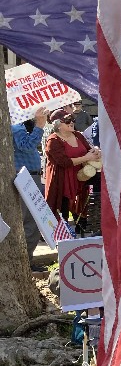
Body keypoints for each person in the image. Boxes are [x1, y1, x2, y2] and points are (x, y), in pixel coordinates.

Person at [44, 109, 99, 228]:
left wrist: (95, 151)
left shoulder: (78, 135)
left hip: (81, 175)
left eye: (72, 119)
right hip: (62, 180)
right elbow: (64, 162)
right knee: (61, 211)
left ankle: (88, 225)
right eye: (67, 120)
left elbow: (88, 149)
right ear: (58, 125)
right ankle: (62, 234)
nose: (72, 122)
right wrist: (86, 157)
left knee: (98, 184)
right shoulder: (53, 141)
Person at [12, 107, 49, 268]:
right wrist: (39, 125)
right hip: (24, 177)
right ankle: (23, 264)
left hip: (31, 177)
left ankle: (26, 262)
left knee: (32, 221)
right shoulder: (15, 125)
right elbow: (26, 145)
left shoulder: (21, 125)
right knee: (28, 221)